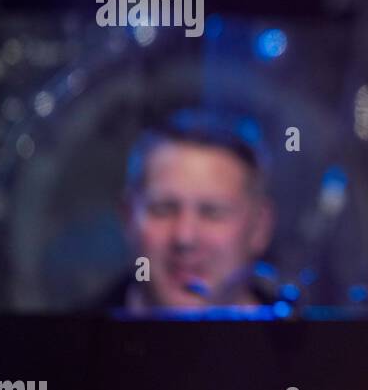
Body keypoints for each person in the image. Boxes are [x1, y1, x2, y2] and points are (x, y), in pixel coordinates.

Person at [95, 110, 276, 312]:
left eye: (212, 212)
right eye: (163, 210)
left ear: (259, 227)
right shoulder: (72, 339)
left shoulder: (302, 336)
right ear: (128, 217)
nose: (184, 237)